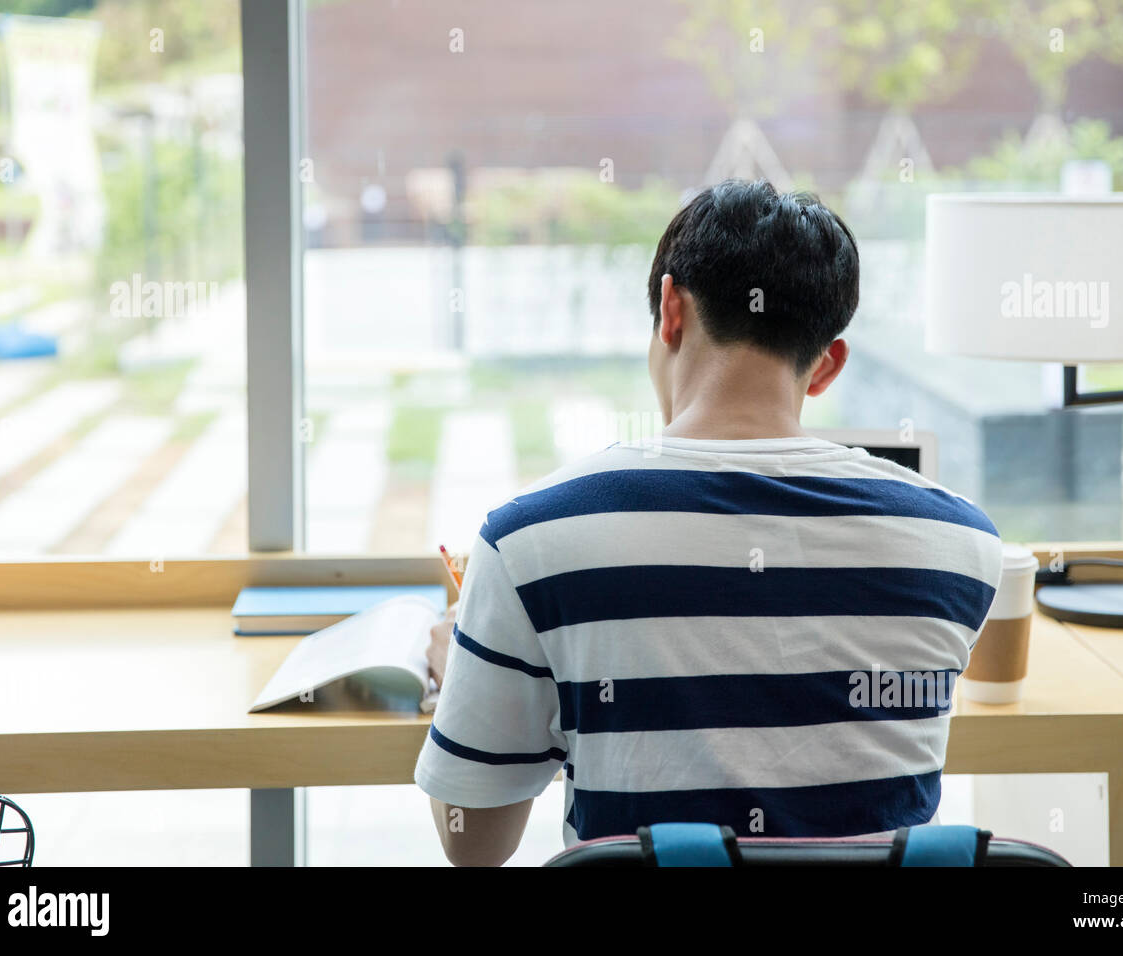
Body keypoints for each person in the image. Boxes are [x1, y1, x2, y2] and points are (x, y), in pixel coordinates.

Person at [414, 179, 1003, 866]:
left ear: (670, 310)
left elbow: (473, 846)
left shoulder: (530, 541)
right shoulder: (961, 546)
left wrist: (467, 675)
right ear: (827, 365)